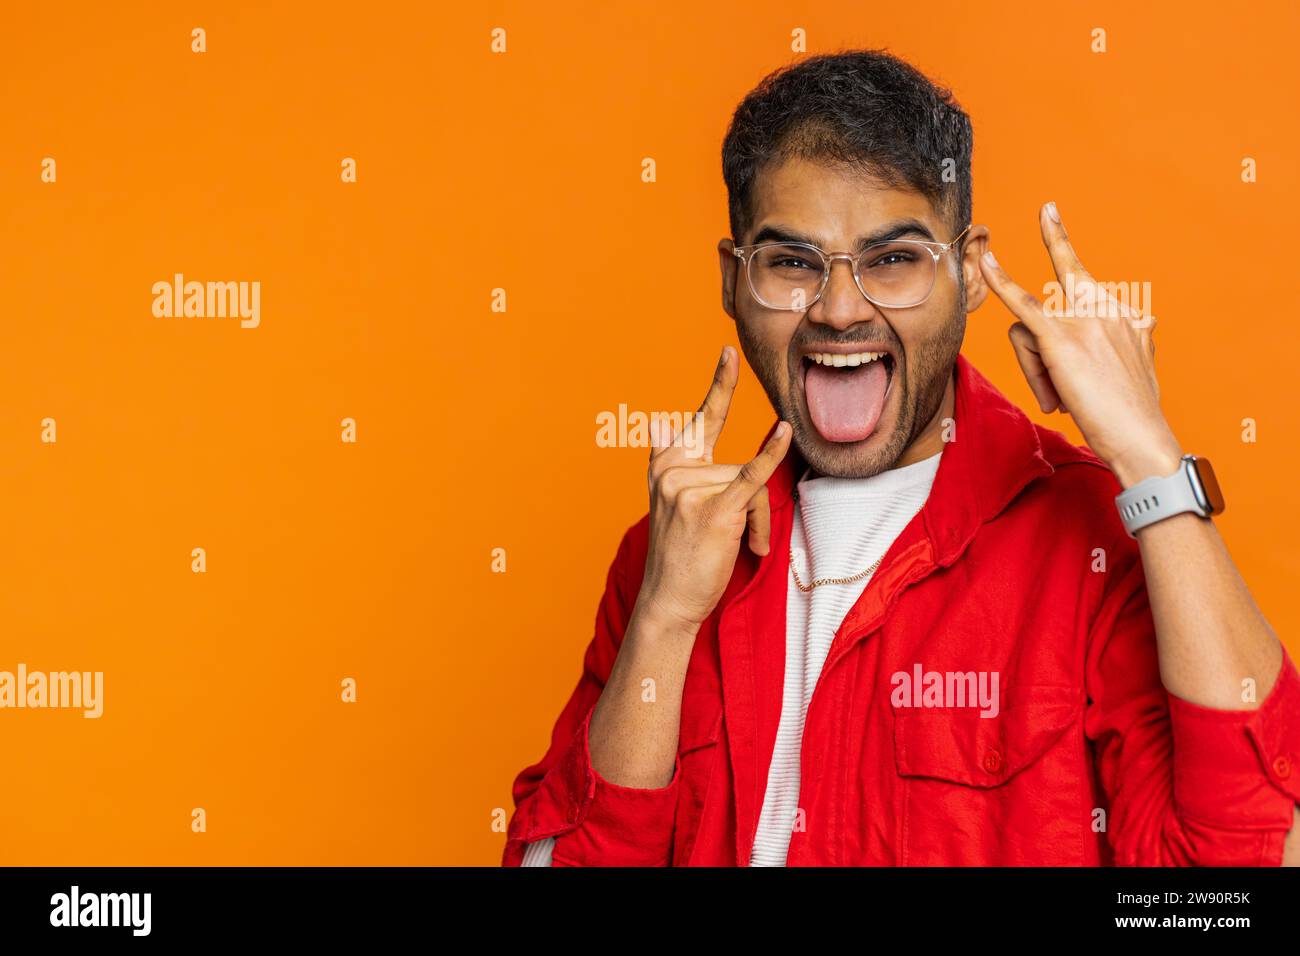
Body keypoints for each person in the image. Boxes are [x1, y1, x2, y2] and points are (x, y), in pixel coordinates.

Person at [503, 49, 1300, 866]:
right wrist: (665, 620)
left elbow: (1237, 872)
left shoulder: (1097, 544)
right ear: (733, 280)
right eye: (792, 263)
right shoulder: (666, 558)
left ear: (970, 271)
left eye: (893, 260)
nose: (839, 310)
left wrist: (1151, 457)